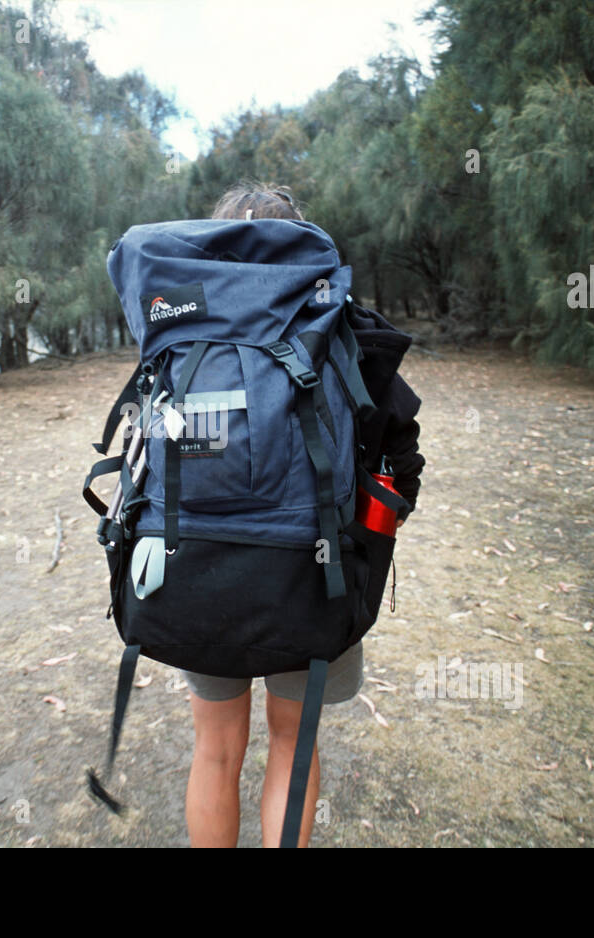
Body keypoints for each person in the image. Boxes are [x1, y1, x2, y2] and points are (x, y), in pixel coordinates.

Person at [180, 182, 424, 848]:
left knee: (216, 750)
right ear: (303, 248)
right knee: (293, 744)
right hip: (315, 581)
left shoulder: (186, 338)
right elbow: (404, 463)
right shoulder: (346, 335)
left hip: (200, 575)